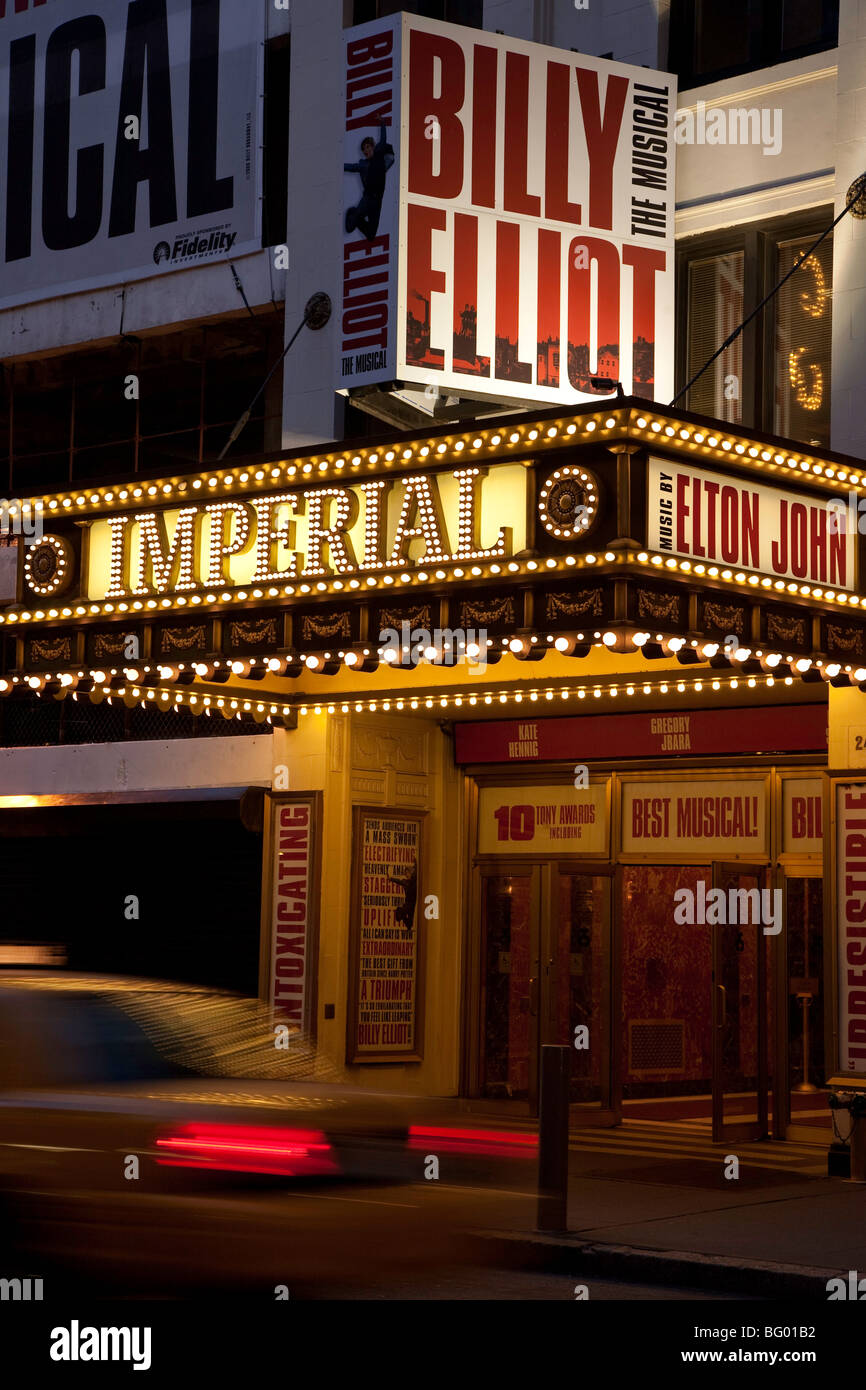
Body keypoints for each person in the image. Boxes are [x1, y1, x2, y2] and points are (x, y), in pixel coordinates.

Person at [344, 124, 394, 240]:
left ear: (373, 147)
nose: (366, 150)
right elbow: (351, 167)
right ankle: (353, 213)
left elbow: (384, 142)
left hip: (377, 201)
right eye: (364, 149)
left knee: (371, 235)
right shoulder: (363, 165)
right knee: (350, 226)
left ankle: (356, 214)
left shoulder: (382, 163)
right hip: (368, 199)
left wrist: (382, 123)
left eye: (367, 147)